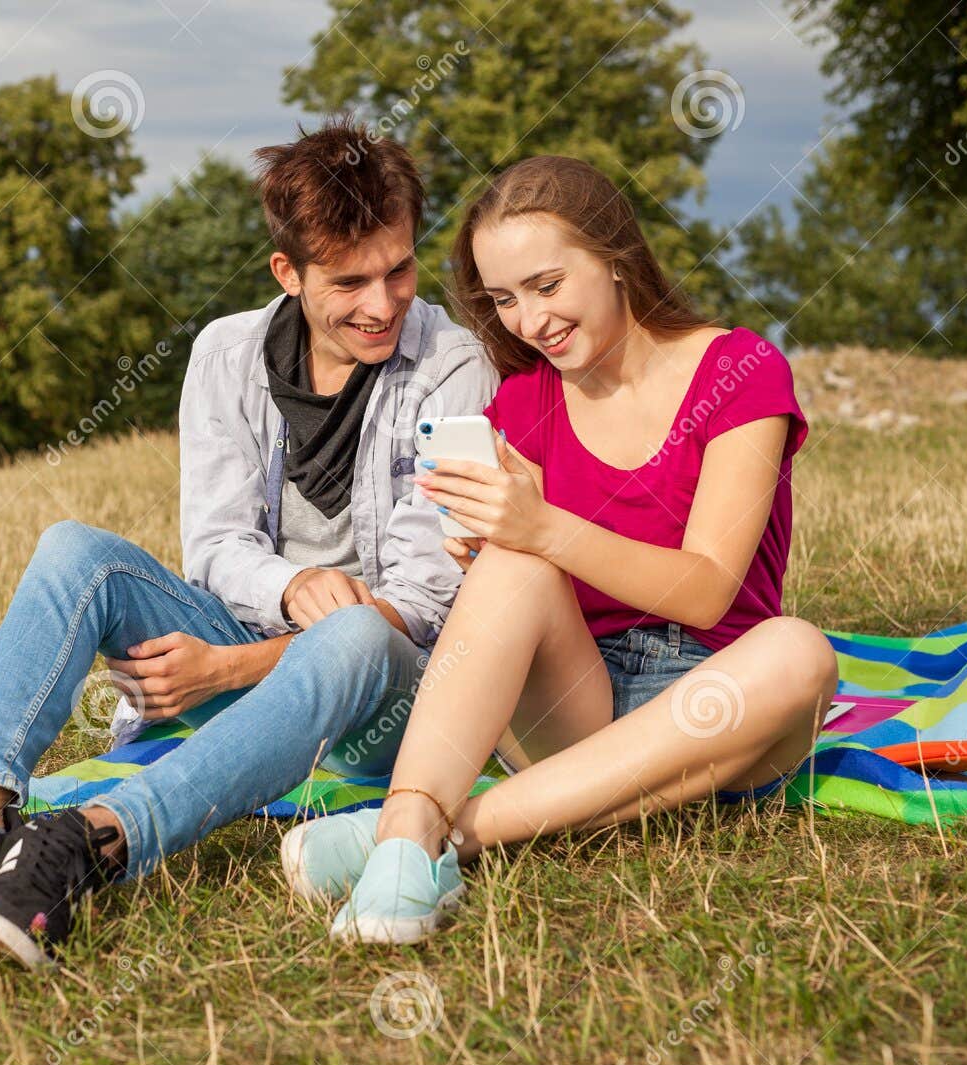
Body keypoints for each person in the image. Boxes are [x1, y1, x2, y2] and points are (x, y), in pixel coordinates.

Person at [0, 116, 498, 968]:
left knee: (358, 628)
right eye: (350, 281)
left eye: (400, 269)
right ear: (288, 272)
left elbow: (430, 603)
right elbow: (214, 547)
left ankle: (98, 842)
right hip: (256, 641)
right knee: (73, 550)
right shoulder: (225, 354)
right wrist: (284, 590)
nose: (382, 304)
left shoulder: (454, 365)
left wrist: (233, 666)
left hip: (387, 697)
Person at [280, 155, 838, 944]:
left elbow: (709, 588)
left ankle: (421, 835)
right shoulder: (523, 401)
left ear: (615, 257)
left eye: (547, 286)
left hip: (718, 705)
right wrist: (489, 548)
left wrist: (545, 528)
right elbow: (518, 584)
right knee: (512, 566)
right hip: (577, 702)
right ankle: (411, 828)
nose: (529, 321)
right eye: (503, 299)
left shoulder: (740, 371)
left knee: (799, 653)